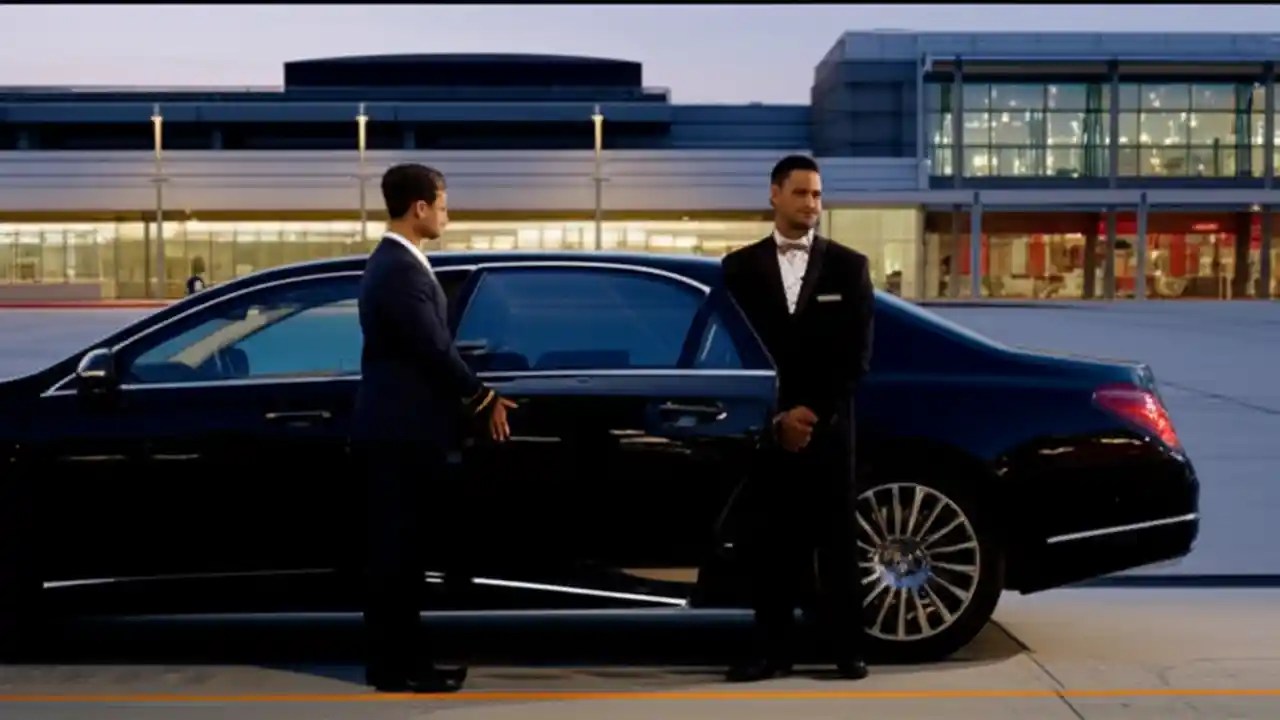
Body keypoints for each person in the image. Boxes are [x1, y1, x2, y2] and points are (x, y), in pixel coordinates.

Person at [351, 162, 516, 693]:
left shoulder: (396, 263)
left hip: (400, 428)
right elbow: (432, 346)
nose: (448, 215)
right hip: (400, 431)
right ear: (419, 207)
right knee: (397, 557)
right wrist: (482, 395)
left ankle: (395, 664)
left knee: (400, 554)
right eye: (443, 205)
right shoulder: (399, 269)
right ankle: (398, 667)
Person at [720, 154, 874, 682]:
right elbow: (733, 350)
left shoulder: (849, 267)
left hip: (827, 429)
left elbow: (856, 355)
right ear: (775, 194)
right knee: (771, 543)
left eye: (817, 195)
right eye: (802, 193)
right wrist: (776, 419)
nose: (812, 203)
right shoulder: (738, 268)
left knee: (837, 542)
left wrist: (812, 413)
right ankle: (772, 651)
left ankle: (847, 650)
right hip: (766, 428)